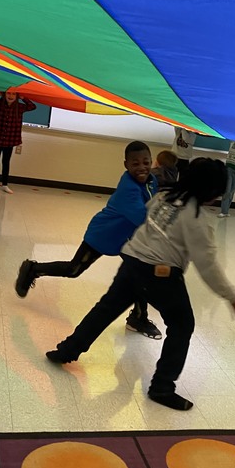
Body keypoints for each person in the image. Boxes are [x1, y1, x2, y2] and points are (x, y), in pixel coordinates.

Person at [45, 158, 235, 411]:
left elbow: (146, 223)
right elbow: (207, 266)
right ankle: (162, 387)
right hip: (160, 274)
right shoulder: (197, 219)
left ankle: (66, 351)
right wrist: (231, 296)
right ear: (210, 189)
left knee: (106, 309)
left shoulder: (163, 197)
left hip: (132, 261)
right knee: (182, 325)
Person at [15, 140, 162, 339]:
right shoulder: (128, 189)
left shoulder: (151, 181)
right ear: (126, 165)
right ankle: (33, 269)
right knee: (73, 270)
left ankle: (138, 318)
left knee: (139, 274)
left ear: (152, 162)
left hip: (127, 239)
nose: (142, 167)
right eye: (135, 164)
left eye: (146, 162)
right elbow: (144, 219)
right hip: (103, 235)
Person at [0, 89, 36, 194]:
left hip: (10, 139)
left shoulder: (20, 107)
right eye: (8, 93)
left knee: (6, 162)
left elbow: (32, 106)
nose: (11, 96)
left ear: (17, 96)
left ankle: (5, 184)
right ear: (4, 94)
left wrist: (23, 98)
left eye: (14, 94)